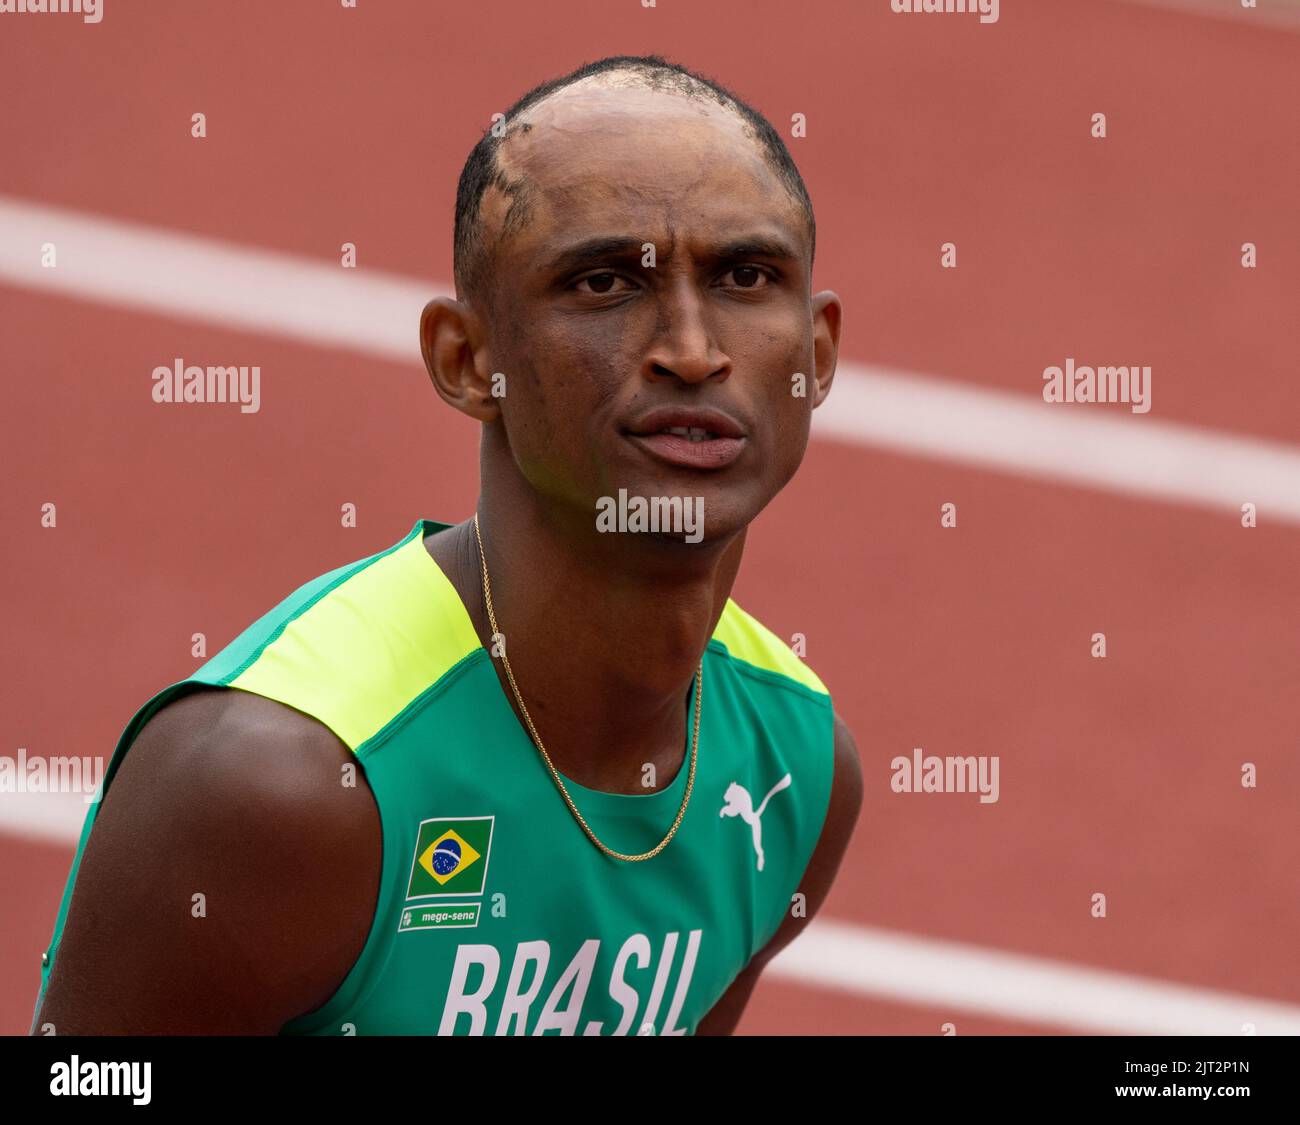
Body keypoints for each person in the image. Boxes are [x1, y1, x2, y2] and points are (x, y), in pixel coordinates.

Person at [32, 53, 863, 1036]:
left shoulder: (792, 770)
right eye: (603, 282)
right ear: (467, 362)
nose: (690, 348)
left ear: (814, 358)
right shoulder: (278, 786)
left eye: (744, 276)